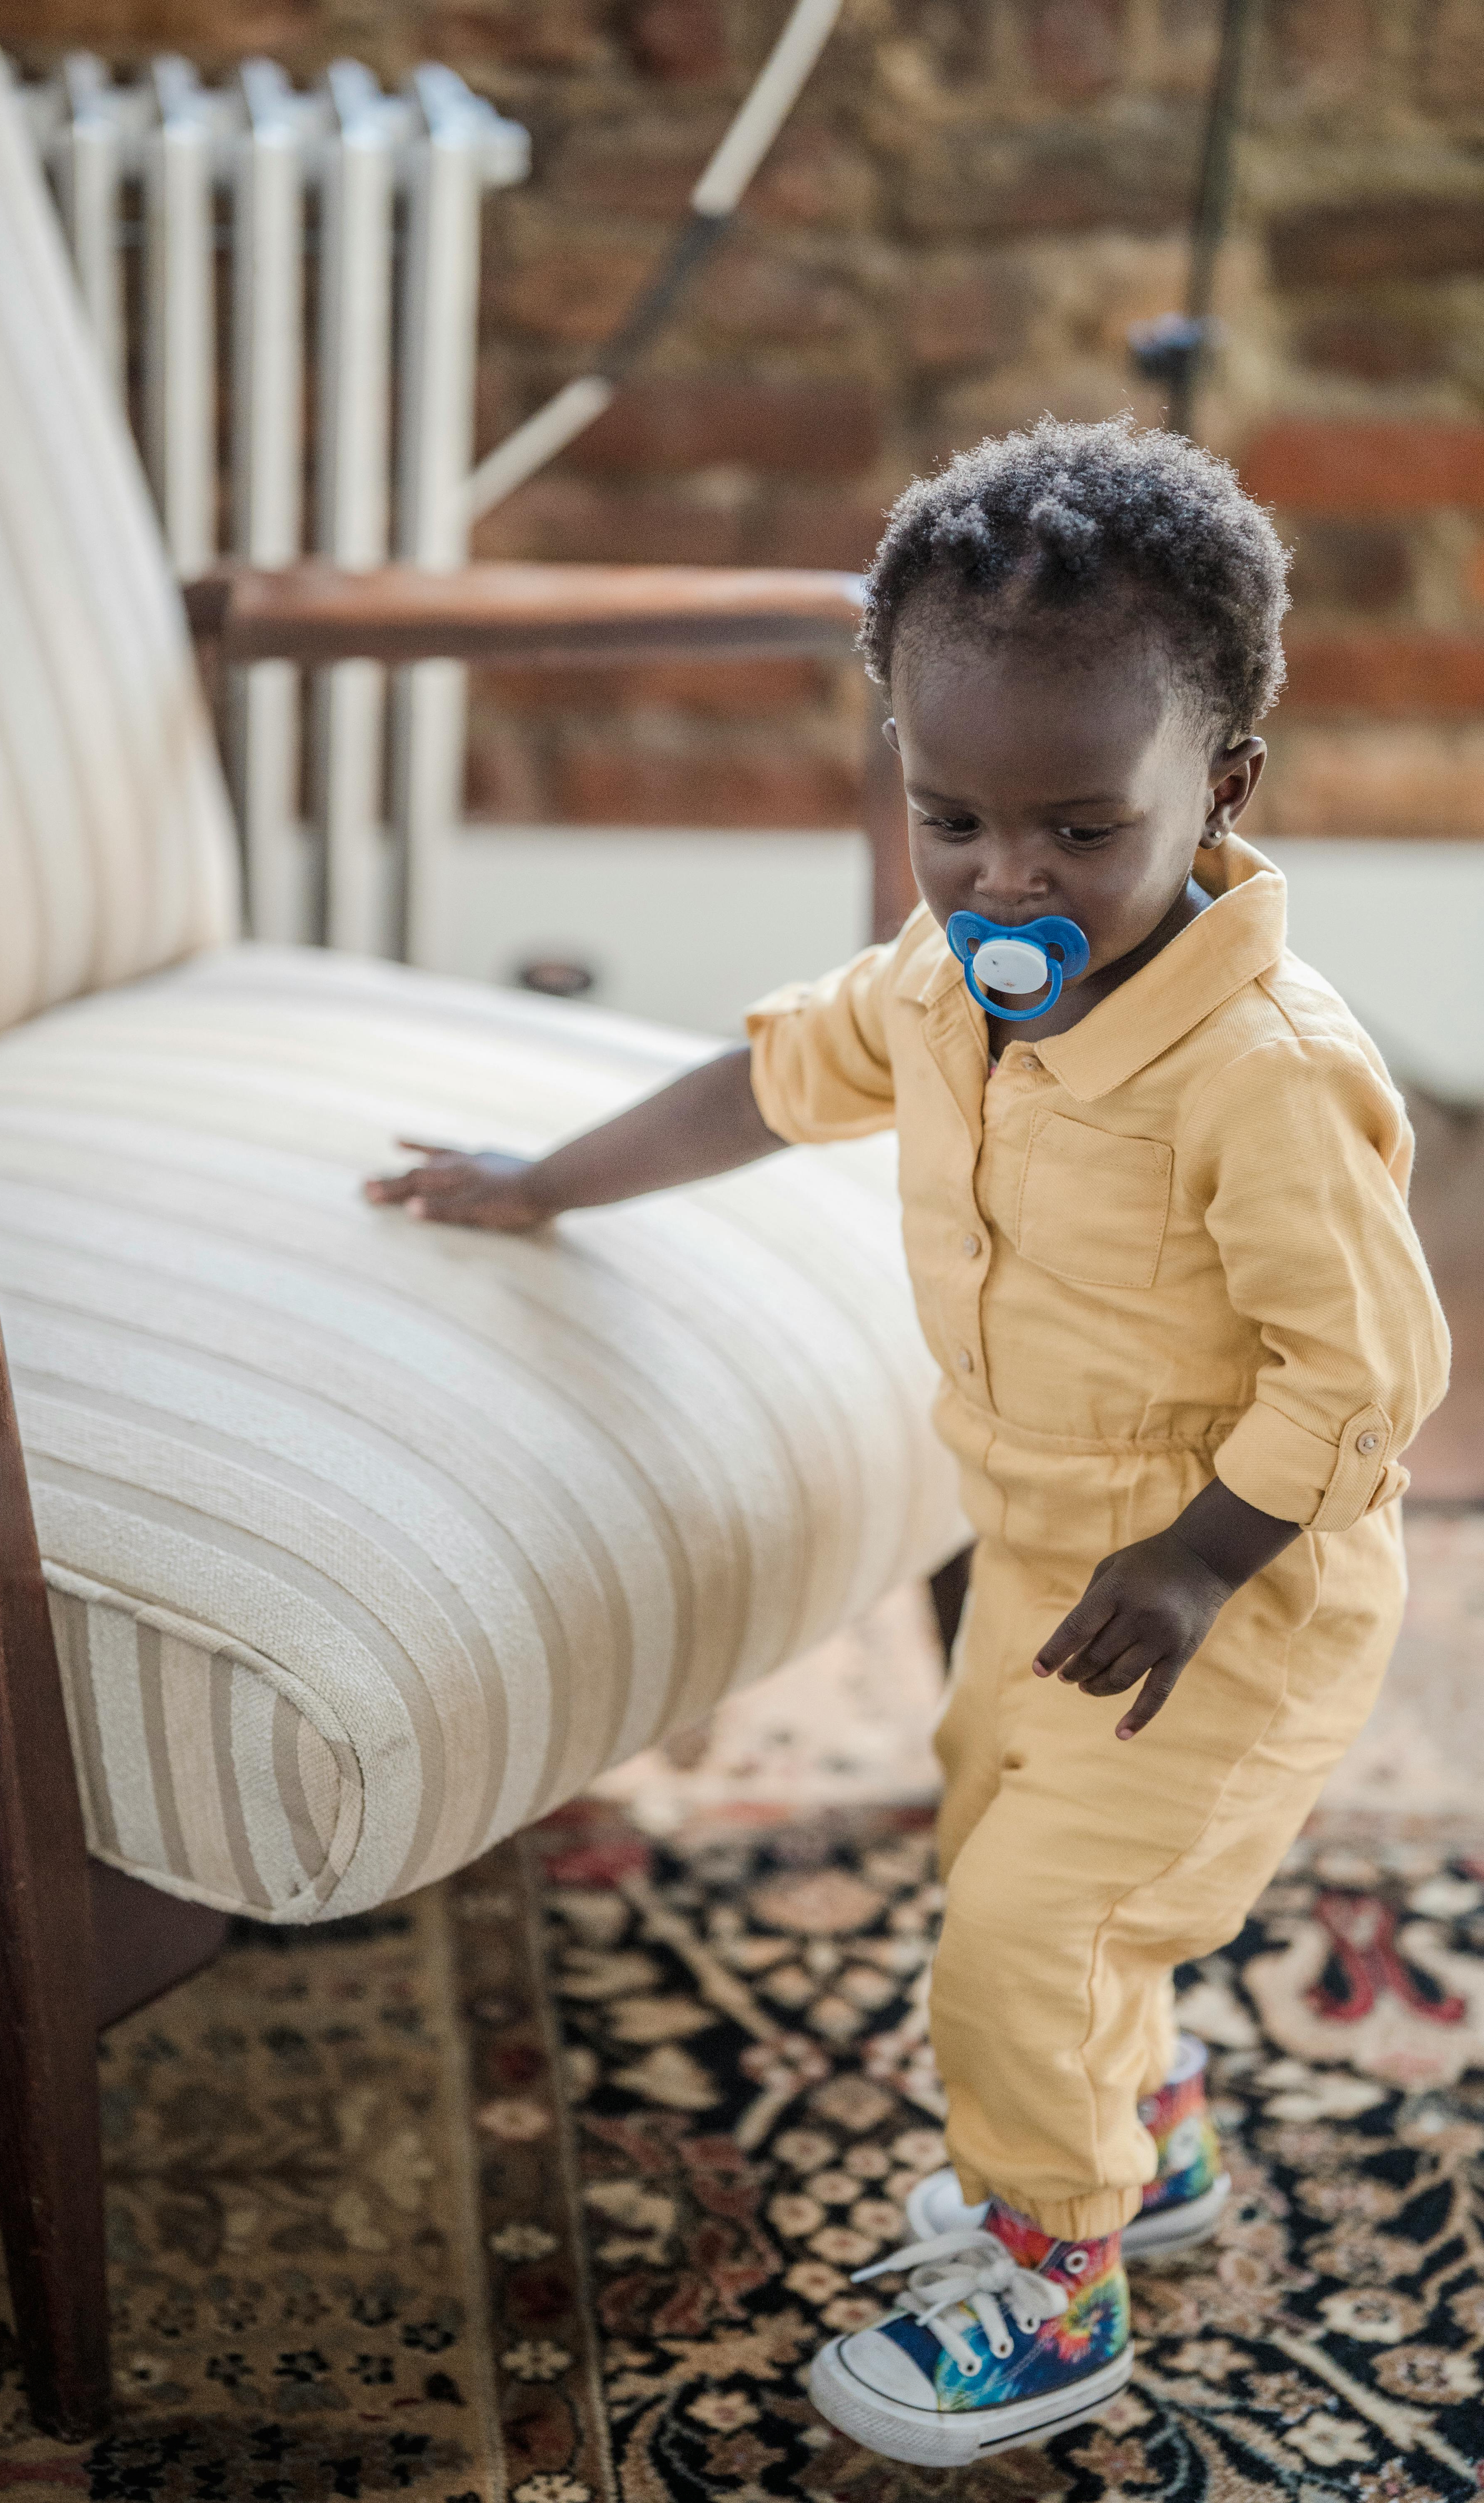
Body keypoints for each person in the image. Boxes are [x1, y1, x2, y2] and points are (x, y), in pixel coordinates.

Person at [366, 415, 1450, 2468]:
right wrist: (541, 1183)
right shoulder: (950, 987)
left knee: (1028, 1937)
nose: (1005, 881)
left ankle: (1057, 2286)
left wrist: (1208, 1556)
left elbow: (1370, 1370)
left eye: (1075, 830)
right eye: (952, 817)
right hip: (1046, 1556)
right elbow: (766, 1082)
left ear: (1215, 787)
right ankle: (1143, 2128)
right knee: (997, 1844)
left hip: (1234, 1595)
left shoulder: (1266, 1078)